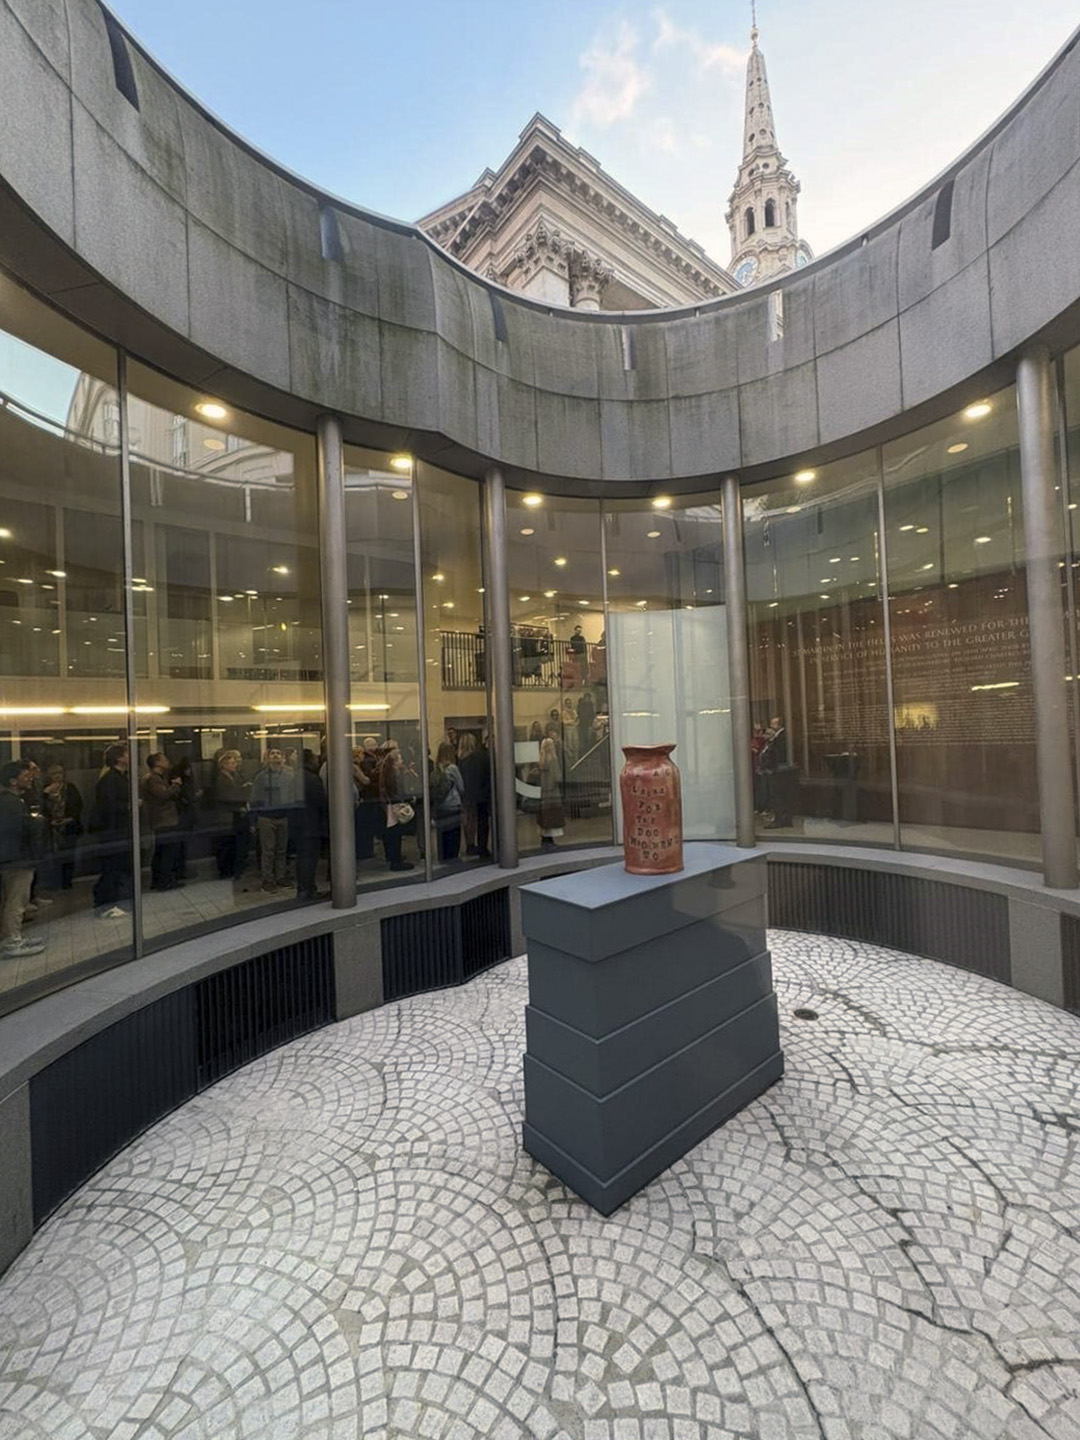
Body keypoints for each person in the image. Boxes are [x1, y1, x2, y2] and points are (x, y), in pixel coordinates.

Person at [0, 760, 45, 958]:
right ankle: (12, 941)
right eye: (24, 775)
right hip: (17, 858)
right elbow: (18, 830)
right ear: (12, 781)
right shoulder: (10, 802)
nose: (29, 777)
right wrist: (36, 823)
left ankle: (11, 937)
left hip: (13, 857)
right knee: (16, 901)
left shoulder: (13, 800)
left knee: (13, 900)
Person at [90, 744, 131, 917]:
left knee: (117, 866)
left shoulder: (120, 777)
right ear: (120, 758)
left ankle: (112, 900)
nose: (130, 757)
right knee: (111, 866)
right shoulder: (110, 779)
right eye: (127, 754)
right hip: (113, 829)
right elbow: (107, 806)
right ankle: (105, 903)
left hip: (119, 828)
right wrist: (128, 806)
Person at [249, 748, 299, 893]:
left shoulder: (290, 775)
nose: (276, 755)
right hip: (266, 817)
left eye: (279, 753)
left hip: (284, 816)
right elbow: (254, 798)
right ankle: (267, 880)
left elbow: (293, 795)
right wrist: (252, 821)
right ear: (268, 758)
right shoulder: (261, 777)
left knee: (282, 850)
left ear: (283, 757)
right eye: (273, 753)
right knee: (268, 851)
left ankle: (281, 876)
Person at [142, 752, 183, 892]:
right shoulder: (152, 779)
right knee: (167, 852)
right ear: (157, 763)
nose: (168, 761)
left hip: (165, 819)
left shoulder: (160, 777)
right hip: (164, 820)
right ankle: (165, 881)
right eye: (164, 759)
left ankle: (160, 880)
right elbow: (163, 795)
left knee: (162, 851)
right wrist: (176, 786)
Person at [207, 750, 250, 879]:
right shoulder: (222, 779)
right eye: (231, 763)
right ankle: (226, 870)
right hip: (226, 815)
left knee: (233, 843)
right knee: (226, 844)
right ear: (224, 765)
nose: (234, 765)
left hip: (233, 814)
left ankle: (233, 868)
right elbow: (226, 797)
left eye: (234, 763)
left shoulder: (233, 776)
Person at [42, 762, 83, 891]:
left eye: (60, 773)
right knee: (53, 856)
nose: (58, 776)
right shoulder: (45, 790)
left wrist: (70, 818)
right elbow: (40, 808)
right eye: (54, 774)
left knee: (69, 854)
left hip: (69, 825)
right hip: (51, 827)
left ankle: (67, 881)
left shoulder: (70, 788)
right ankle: (55, 882)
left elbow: (78, 804)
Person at [295, 750, 328, 900]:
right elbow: (321, 801)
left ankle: (304, 888)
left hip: (299, 823)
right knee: (309, 857)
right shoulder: (312, 779)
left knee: (303, 857)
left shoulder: (295, 777)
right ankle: (307, 889)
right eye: (315, 758)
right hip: (311, 823)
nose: (317, 760)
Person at [378, 744, 414, 872]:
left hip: (389, 805)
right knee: (395, 834)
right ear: (395, 761)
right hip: (394, 805)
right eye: (400, 759)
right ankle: (396, 861)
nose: (402, 761)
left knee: (392, 834)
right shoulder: (394, 773)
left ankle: (394, 857)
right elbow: (397, 790)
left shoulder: (388, 772)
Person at [430, 739, 464, 862]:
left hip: (440, 804)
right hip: (452, 803)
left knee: (442, 831)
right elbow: (461, 786)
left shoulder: (436, 767)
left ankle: (442, 856)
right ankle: (453, 857)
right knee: (454, 831)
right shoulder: (452, 768)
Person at [460, 731, 492, 859]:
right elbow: (488, 775)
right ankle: (482, 847)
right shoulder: (481, 757)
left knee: (469, 821)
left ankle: (470, 845)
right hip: (481, 795)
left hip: (467, 795)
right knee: (482, 822)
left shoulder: (462, 760)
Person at [536, 735, 565, 851]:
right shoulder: (552, 759)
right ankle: (550, 841)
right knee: (553, 816)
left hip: (543, 792)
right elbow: (557, 776)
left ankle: (545, 840)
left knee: (545, 817)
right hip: (552, 791)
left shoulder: (541, 760)